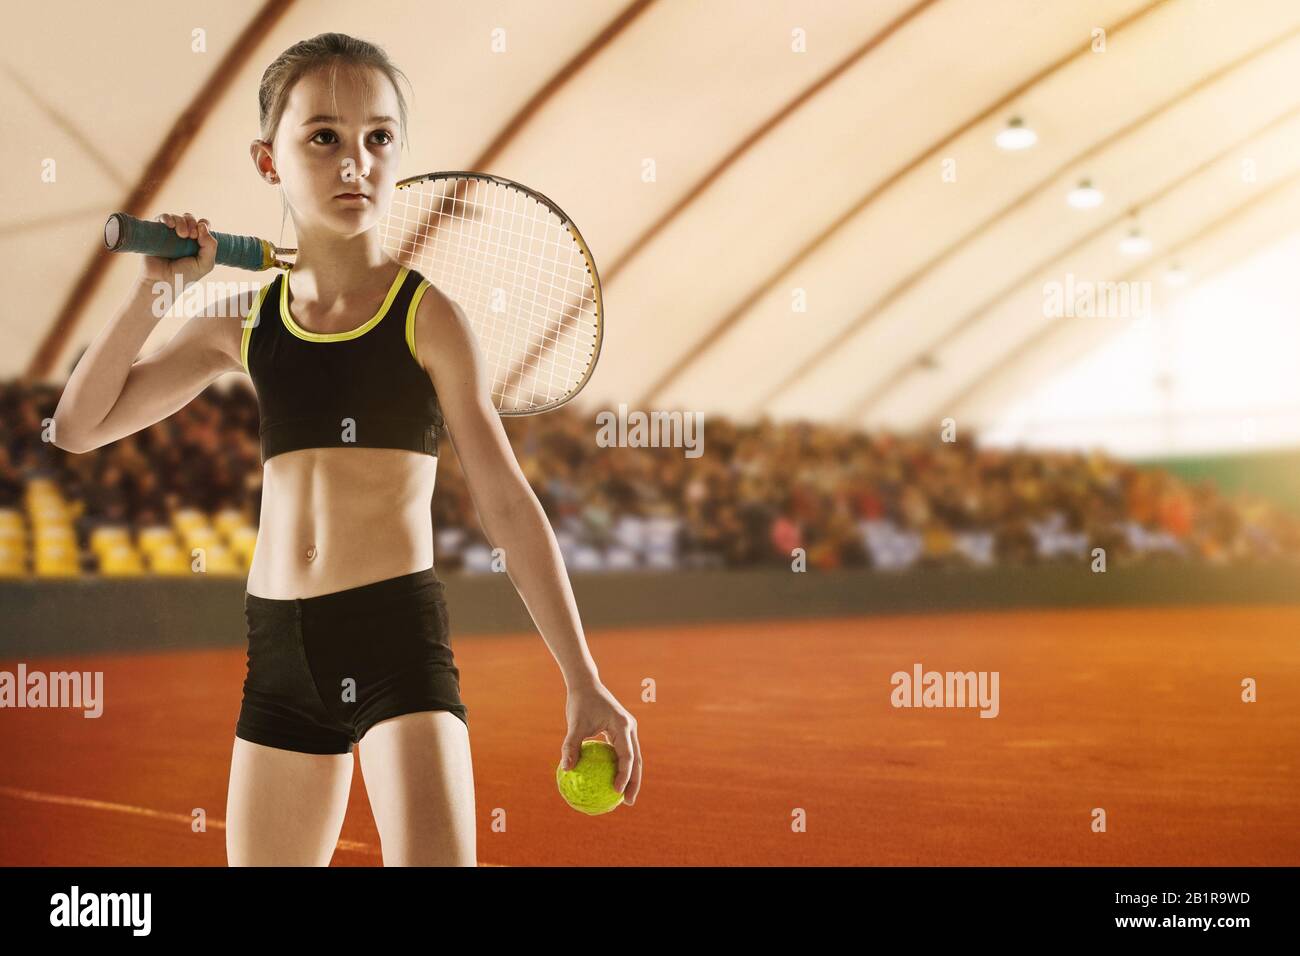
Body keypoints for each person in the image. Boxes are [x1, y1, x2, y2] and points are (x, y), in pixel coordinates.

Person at [50, 32, 641, 866]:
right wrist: (156, 296)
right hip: (278, 656)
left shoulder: (425, 317)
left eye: (378, 137)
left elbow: (506, 500)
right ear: (268, 162)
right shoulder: (242, 320)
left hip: (394, 645)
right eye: (322, 136)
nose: (355, 160)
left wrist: (582, 679)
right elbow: (78, 425)